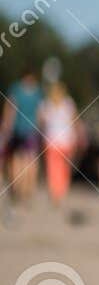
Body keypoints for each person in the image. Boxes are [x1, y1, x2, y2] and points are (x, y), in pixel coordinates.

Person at [1, 67, 44, 205]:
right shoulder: (37, 91)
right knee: (31, 161)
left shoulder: (16, 89)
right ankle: (28, 190)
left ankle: (17, 188)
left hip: (18, 130)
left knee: (17, 160)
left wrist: (6, 127)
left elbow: (10, 108)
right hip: (32, 130)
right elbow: (40, 113)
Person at [35, 80, 81, 207]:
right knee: (64, 168)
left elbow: (40, 121)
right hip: (66, 141)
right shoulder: (68, 103)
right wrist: (78, 136)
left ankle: (55, 192)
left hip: (51, 141)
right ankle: (61, 191)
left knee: (52, 168)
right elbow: (75, 120)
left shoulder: (46, 104)